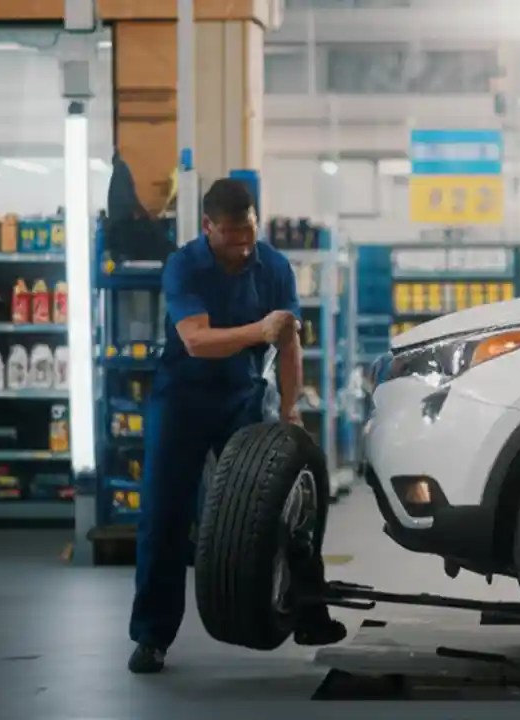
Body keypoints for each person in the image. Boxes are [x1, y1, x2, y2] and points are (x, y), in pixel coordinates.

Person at [127, 178, 345, 674]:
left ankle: (309, 613)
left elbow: (288, 344)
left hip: (242, 399)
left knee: (283, 508)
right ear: (208, 227)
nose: (243, 244)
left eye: (249, 232)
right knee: (163, 517)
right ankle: (152, 637)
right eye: (232, 235)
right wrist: (260, 330)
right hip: (181, 401)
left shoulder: (274, 267)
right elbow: (197, 341)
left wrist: (291, 413)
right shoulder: (184, 265)